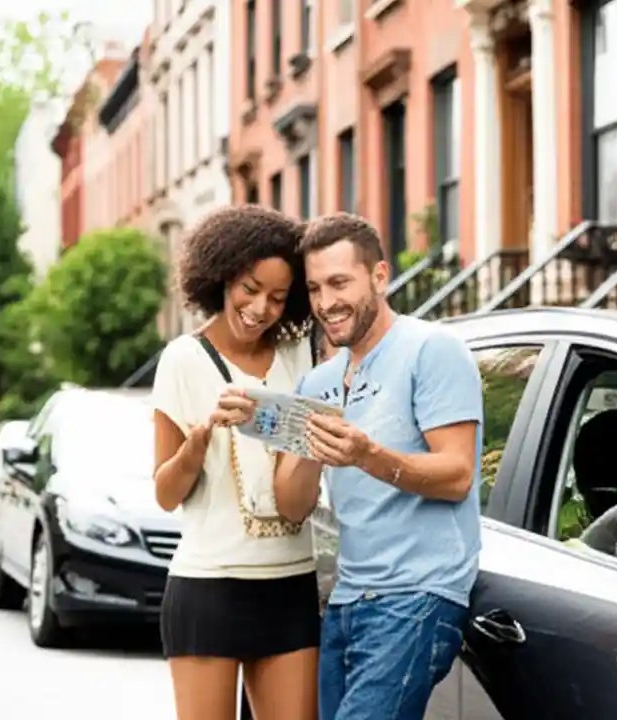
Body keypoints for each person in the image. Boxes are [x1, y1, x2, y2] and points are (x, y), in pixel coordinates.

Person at [246, 212, 483, 719]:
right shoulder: (317, 383)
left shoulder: (432, 350)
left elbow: (458, 475)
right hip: (347, 600)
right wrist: (306, 446)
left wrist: (366, 454)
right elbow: (292, 506)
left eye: (339, 283)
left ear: (379, 277)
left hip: (417, 596)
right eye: (314, 289)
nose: (326, 303)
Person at [150, 205, 321, 720]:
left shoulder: (300, 355)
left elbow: (297, 500)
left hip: (290, 585)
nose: (260, 307)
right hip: (208, 588)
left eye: (277, 296)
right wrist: (196, 444)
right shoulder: (182, 359)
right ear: (222, 275)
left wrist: (306, 434)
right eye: (250, 288)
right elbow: (165, 494)